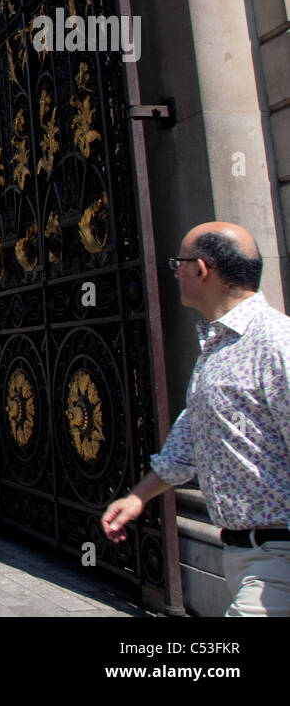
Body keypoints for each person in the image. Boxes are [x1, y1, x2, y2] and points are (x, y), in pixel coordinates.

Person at [100, 222, 290, 616]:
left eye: (178, 262)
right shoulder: (217, 347)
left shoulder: (276, 342)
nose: (174, 271)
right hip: (246, 554)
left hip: (279, 555)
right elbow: (188, 442)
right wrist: (138, 497)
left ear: (201, 269)